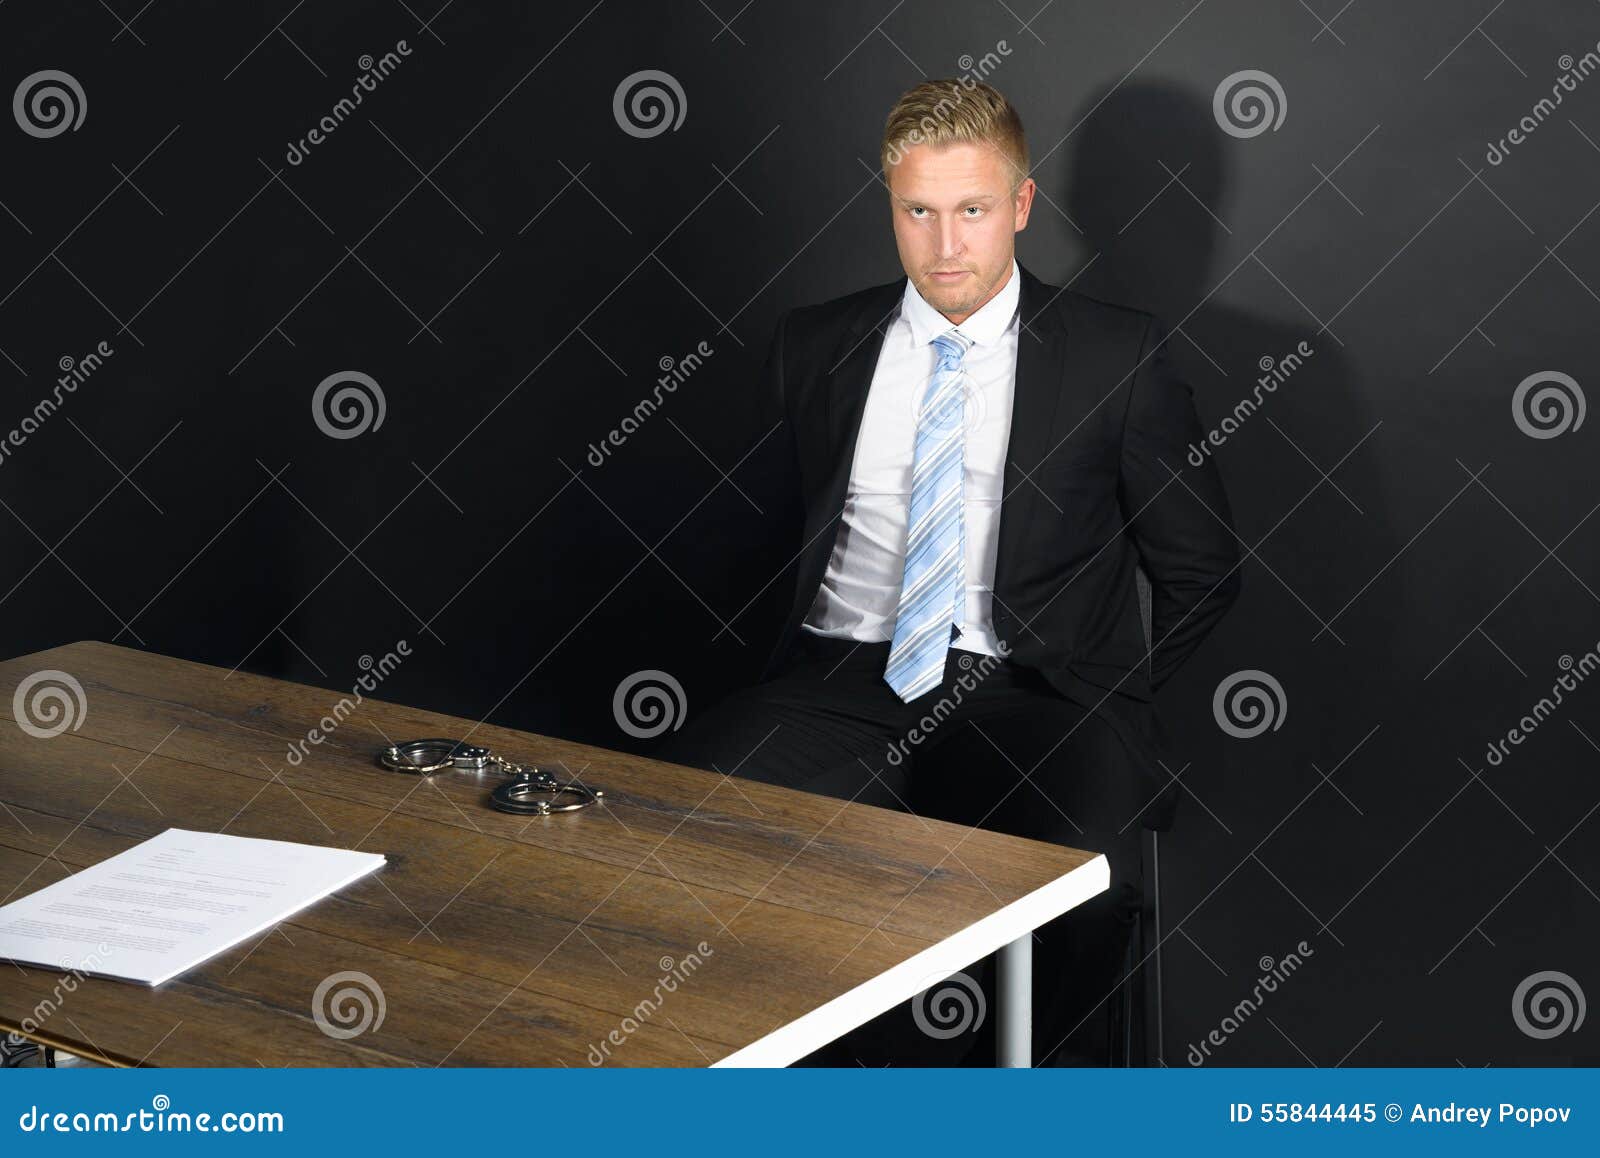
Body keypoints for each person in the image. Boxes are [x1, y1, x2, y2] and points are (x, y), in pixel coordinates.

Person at [660, 78, 1243, 1065]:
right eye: (917, 212)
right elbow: (748, 543)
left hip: (1031, 692)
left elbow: (1203, 569)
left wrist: (1109, 702)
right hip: (840, 681)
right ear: (890, 206)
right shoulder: (815, 346)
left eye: (971, 210)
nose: (944, 245)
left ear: (1017, 206)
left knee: (1082, 871)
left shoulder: (1114, 354)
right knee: (680, 816)